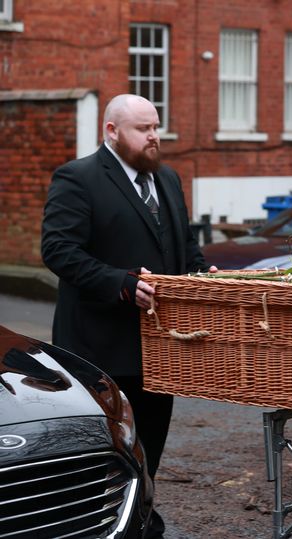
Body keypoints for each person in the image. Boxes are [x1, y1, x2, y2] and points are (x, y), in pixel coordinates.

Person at [41, 94, 215, 539]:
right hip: (100, 348)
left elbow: (181, 249)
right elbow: (58, 251)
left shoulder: (170, 179)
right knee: (106, 451)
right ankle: (95, 524)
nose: (153, 136)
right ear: (112, 132)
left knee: (150, 444)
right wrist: (119, 282)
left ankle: (140, 518)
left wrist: (203, 273)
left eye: (156, 126)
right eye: (143, 129)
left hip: (160, 348)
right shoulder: (78, 178)